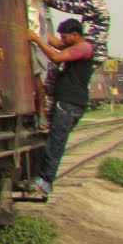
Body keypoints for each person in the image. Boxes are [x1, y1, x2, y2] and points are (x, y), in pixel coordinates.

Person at [26, 18, 97, 196]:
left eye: (65, 38)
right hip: (66, 103)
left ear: (75, 35)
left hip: (69, 104)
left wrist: (36, 38)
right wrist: (39, 25)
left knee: (56, 142)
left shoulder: (84, 47)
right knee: (53, 140)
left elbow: (56, 56)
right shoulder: (76, 45)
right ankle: (42, 178)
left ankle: (45, 181)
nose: (62, 41)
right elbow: (56, 43)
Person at [36, 0, 110, 62]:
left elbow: (67, 6)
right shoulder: (97, 3)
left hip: (93, 53)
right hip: (91, 51)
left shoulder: (94, 6)